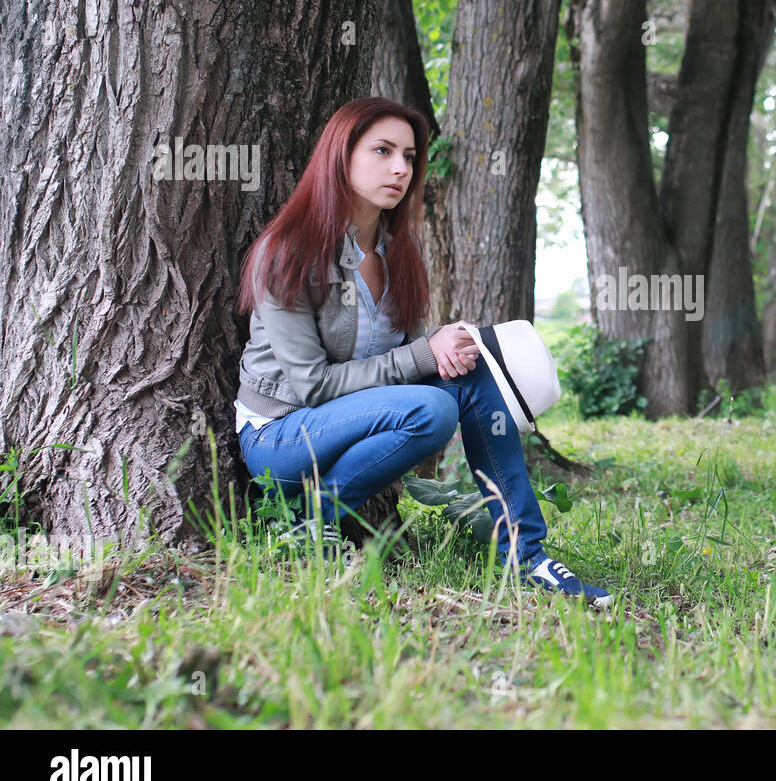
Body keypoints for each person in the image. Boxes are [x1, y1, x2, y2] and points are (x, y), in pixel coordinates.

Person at [233, 96, 611, 608]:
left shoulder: (399, 255)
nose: (400, 168)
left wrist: (447, 352)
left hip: (355, 426)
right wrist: (422, 356)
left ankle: (526, 554)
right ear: (340, 156)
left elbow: (405, 357)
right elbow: (313, 385)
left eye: (409, 156)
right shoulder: (288, 252)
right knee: (430, 408)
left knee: (466, 375)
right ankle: (307, 522)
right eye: (383, 151)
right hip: (281, 436)